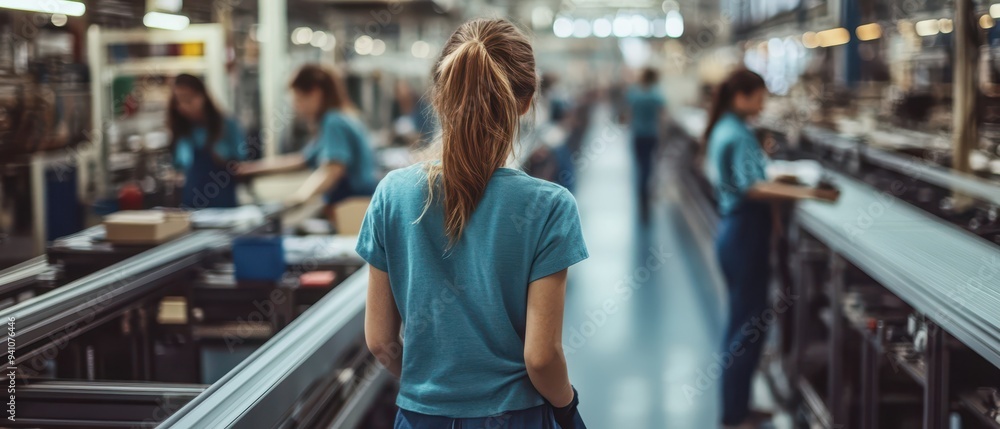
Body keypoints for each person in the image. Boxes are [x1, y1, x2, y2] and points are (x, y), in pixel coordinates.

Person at [357, 18, 589, 429]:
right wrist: (568, 409)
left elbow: (380, 341)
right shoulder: (549, 206)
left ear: (441, 95)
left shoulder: (392, 194)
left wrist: (432, 386)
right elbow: (541, 357)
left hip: (420, 415)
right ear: (525, 101)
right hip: (513, 416)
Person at [702, 68, 838, 429]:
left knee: (743, 325)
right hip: (745, 233)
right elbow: (754, 188)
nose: (763, 104)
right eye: (759, 97)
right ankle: (734, 415)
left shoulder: (726, 128)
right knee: (746, 328)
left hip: (737, 233)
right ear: (741, 97)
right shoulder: (736, 132)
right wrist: (811, 193)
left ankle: (740, 407)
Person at [240, 65, 377, 224]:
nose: (296, 107)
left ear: (315, 93)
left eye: (298, 99)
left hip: (353, 207)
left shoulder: (333, 122)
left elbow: (333, 169)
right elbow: (302, 160)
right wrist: (252, 169)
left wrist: (299, 198)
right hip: (356, 207)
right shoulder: (342, 117)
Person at [168, 74, 246, 209]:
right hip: (191, 202)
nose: (183, 106)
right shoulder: (182, 130)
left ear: (202, 96)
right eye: (178, 101)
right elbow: (178, 167)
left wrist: (224, 159)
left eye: (188, 99)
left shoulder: (227, 125)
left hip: (222, 201)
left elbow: (241, 160)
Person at [625, 67, 667, 222]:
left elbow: (629, 114)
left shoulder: (635, 93)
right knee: (649, 165)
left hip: (637, 135)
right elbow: (662, 118)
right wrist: (663, 137)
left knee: (640, 165)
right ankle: (647, 195)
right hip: (652, 135)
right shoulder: (656, 94)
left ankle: (641, 196)